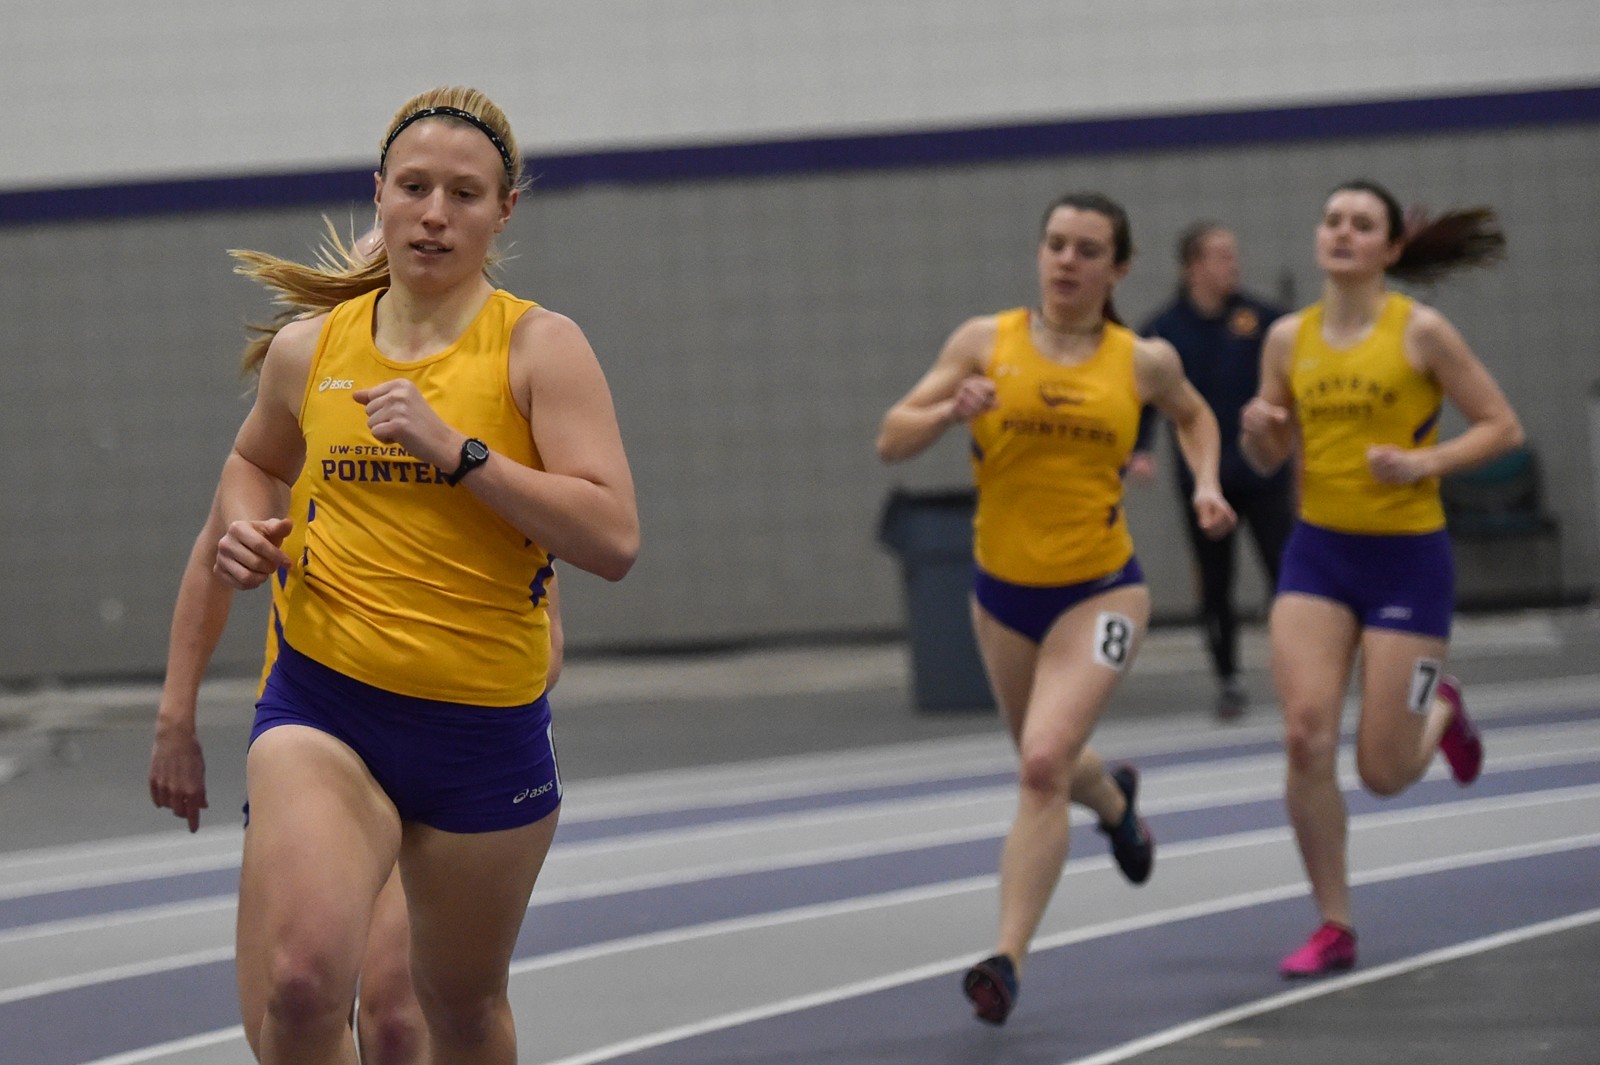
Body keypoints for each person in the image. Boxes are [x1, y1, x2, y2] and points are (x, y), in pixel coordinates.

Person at [208, 86, 638, 1065]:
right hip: (326, 705)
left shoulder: (540, 347)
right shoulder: (310, 348)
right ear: (380, 195)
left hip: (481, 731)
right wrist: (244, 530)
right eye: (414, 187)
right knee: (304, 983)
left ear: (504, 210)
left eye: (464, 192)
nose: (435, 213)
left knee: (455, 1008)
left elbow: (613, 537)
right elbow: (252, 462)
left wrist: (461, 453)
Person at [876, 191, 1236, 1025]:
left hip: (1102, 589)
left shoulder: (1141, 359)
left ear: (1119, 268)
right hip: (1003, 596)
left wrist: (1209, 482)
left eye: (1088, 249)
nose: (1068, 261)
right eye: (1057, 245)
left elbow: (1195, 417)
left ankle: (1004, 958)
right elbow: (891, 436)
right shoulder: (983, 342)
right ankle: (1114, 802)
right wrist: (945, 409)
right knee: (1054, 760)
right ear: (1040, 254)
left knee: (1040, 762)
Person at [150, 484, 566, 1065]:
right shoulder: (290, 428)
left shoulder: (462, 436)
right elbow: (210, 555)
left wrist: (475, 697)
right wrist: (175, 722)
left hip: (435, 762)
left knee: (398, 1022)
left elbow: (547, 626)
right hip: (313, 745)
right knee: (289, 1005)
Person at [1240, 180, 1522, 978]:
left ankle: (1445, 710)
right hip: (1318, 556)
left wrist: (1425, 460)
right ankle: (1335, 923)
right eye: (1332, 219)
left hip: (1407, 560)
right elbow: (1268, 456)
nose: (1342, 232)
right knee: (1304, 735)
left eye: (1362, 225)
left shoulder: (1422, 331)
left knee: (1384, 772)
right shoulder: (1287, 341)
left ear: (1391, 249)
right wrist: (1259, 432)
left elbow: (1504, 425)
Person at [1130, 224, 1294, 720]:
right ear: (1193, 267)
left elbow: (1294, 378)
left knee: (1285, 572)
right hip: (1203, 479)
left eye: (1234, 255)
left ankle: (1297, 668)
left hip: (1262, 471)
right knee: (1216, 582)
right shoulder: (1162, 331)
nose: (1233, 265)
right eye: (1221, 256)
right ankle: (1228, 678)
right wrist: (1140, 449)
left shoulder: (1263, 319)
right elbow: (1145, 398)